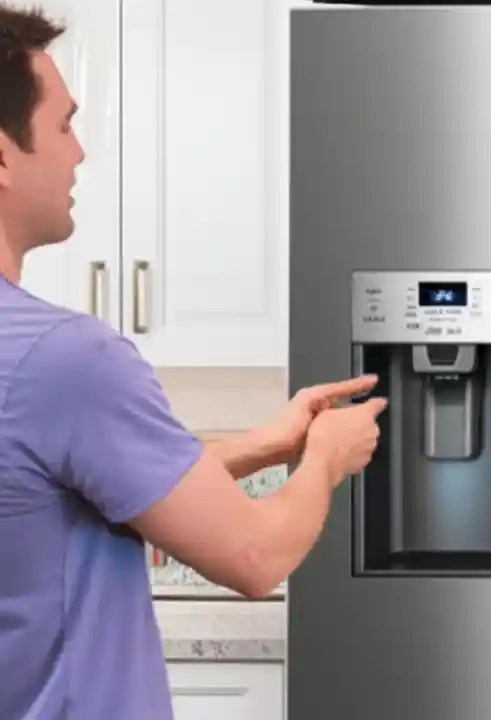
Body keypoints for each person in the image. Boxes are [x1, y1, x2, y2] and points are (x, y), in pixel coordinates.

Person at [0, 5, 387, 718]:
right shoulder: (66, 359)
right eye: (63, 125)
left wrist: (266, 444)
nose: (79, 152)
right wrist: (327, 458)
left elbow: (75, 489)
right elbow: (254, 558)